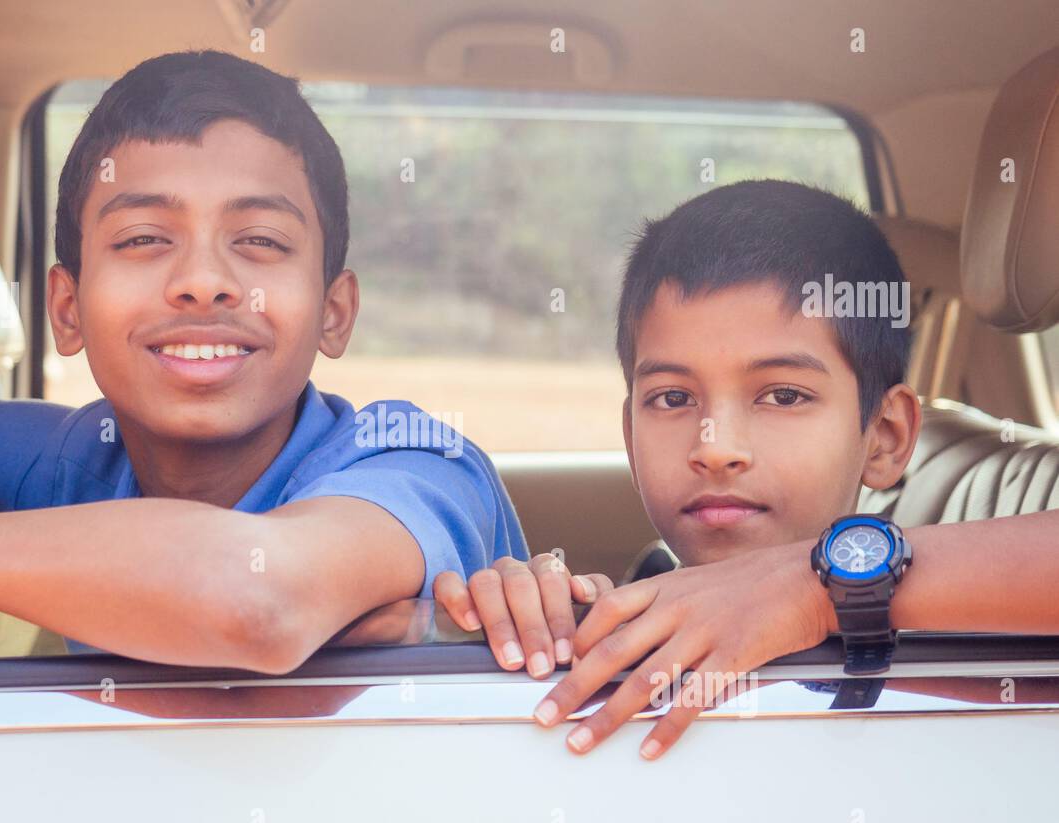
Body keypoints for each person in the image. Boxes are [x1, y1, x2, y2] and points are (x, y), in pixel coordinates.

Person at [0, 50, 527, 669]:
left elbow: (255, 600)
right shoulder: (65, 460)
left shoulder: (418, 463)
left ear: (334, 311)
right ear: (68, 310)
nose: (202, 283)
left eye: (259, 241)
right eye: (143, 240)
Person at [434, 180, 1059, 757]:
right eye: (673, 399)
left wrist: (817, 587)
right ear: (629, 436)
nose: (715, 446)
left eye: (783, 395)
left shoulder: (964, 667)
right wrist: (544, 622)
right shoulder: (635, 589)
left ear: (885, 437)